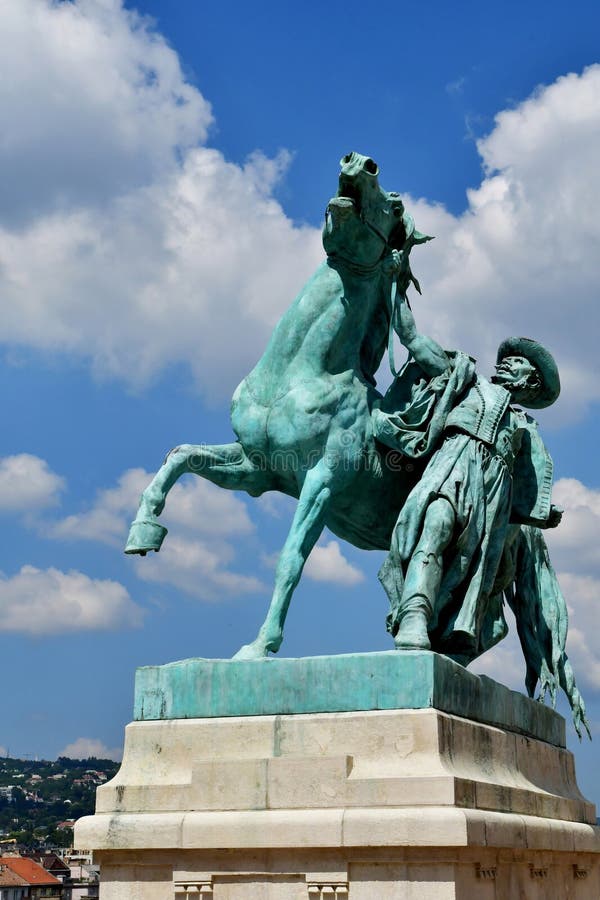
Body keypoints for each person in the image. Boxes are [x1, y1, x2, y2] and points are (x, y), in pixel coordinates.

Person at [373, 287, 562, 663]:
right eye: (508, 358)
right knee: (436, 522)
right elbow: (414, 340)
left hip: (494, 495)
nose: (508, 362)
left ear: (533, 382)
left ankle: (452, 641)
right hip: (454, 463)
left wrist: (543, 513)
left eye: (519, 362)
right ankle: (413, 617)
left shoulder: (527, 428)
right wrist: (392, 289)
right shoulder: (469, 380)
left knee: (471, 573)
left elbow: (528, 491)